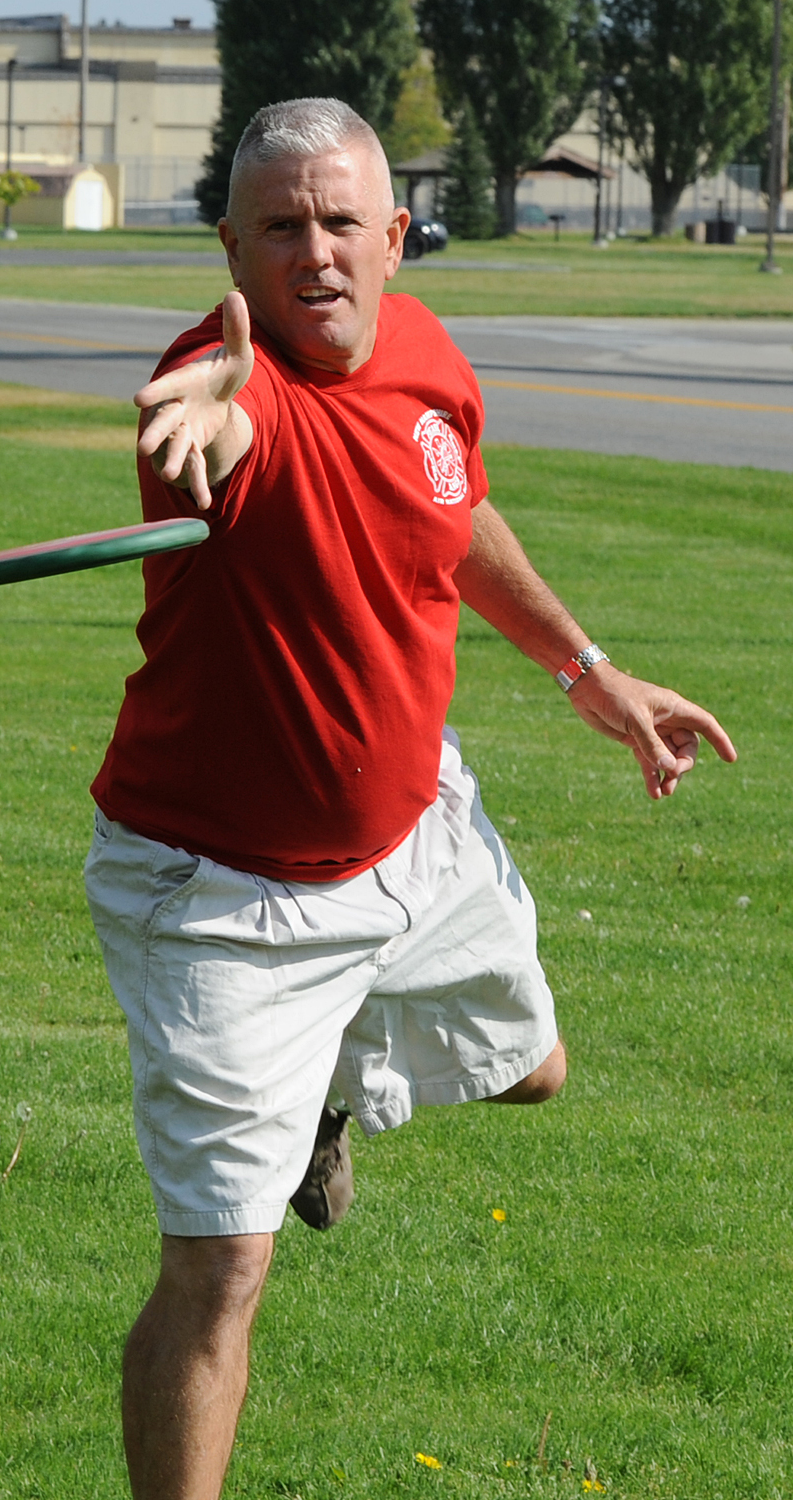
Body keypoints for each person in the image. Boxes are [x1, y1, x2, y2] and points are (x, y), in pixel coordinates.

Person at [84, 97, 736, 1500]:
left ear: (394, 236)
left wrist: (589, 670)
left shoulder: (430, 354)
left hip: (411, 834)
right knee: (222, 1267)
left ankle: (323, 1095)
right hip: (226, 897)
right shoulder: (220, 388)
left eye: (338, 223)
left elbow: (455, 505)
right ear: (232, 246)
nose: (312, 253)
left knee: (537, 1071)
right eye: (278, 227)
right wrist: (207, 402)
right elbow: (219, 424)